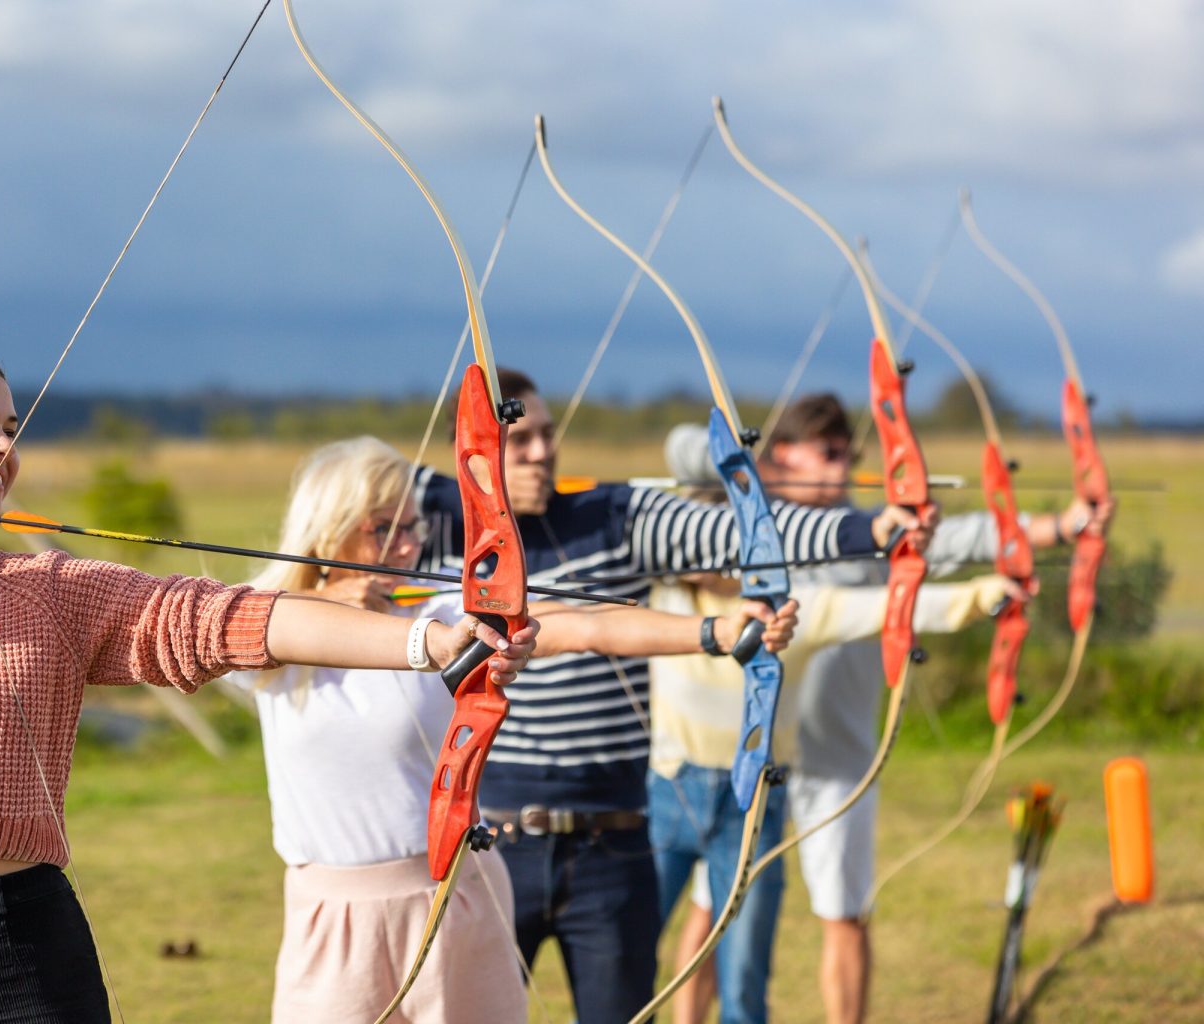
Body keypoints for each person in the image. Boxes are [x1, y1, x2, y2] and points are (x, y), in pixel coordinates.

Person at [0, 338, 540, 1024]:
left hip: (23, 942)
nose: (5, 447)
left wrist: (431, 642)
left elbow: (235, 619)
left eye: (13, 430)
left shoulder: (50, 592)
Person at [408, 370, 935, 1023]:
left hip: (615, 843)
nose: (545, 452)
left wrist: (872, 533)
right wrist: (471, 494)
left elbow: (742, 532)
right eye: (521, 440)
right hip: (492, 844)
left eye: (549, 435)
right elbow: (352, 490)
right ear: (477, 451)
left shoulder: (617, 513)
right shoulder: (431, 526)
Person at [238, 436, 800, 1024]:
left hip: (451, 894)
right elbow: (196, 627)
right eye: (384, 529)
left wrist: (716, 630)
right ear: (330, 531)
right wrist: (327, 597)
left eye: (414, 527)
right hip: (331, 912)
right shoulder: (269, 624)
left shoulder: (440, 611)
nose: (406, 547)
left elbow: (584, 627)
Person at [663, 394, 1114, 1024]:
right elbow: (682, 447)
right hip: (752, 757)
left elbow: (961, 536)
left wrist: (1064, 526)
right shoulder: (743, 524)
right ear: (782, 454)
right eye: (827, 451)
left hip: (838, 762)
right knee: (716, 911)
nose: (844, 463)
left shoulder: (871, 529)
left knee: (844, 913)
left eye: (850, 451)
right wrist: (748, 473)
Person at [648, 562, 1024, 1024]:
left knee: (743, 977)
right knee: (624, 960)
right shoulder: (662, 598)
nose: (700, 556)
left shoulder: (789, 612)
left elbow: (889, 605)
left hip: (750, 807)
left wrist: (984, 594)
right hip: (667, 794)